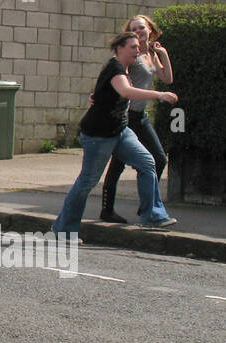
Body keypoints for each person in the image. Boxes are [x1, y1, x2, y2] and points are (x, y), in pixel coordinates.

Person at [52, 32, 179, 236]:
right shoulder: (115, 68)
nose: (137, 51)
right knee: (87, 181)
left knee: (147, 162)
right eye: (133, 47)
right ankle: (64, 229)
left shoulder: (124, 67)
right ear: (120, 49)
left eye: (138, 47)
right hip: (98, 135)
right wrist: (160, 95)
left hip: (120, 130)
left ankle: (152, 216)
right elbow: (126, 91)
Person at [99, 15, 174, 223]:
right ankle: (108, 210)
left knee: (159, 159)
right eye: (134, 29)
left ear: (150, 29)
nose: (139, 32)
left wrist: (163, 55)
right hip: (126, 116)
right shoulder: (132, 54)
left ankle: (146, 205)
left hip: (141, 117)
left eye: (141, 27)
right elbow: (119, 78)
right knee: (118, 163)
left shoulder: (151, 52)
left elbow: (167, 78)